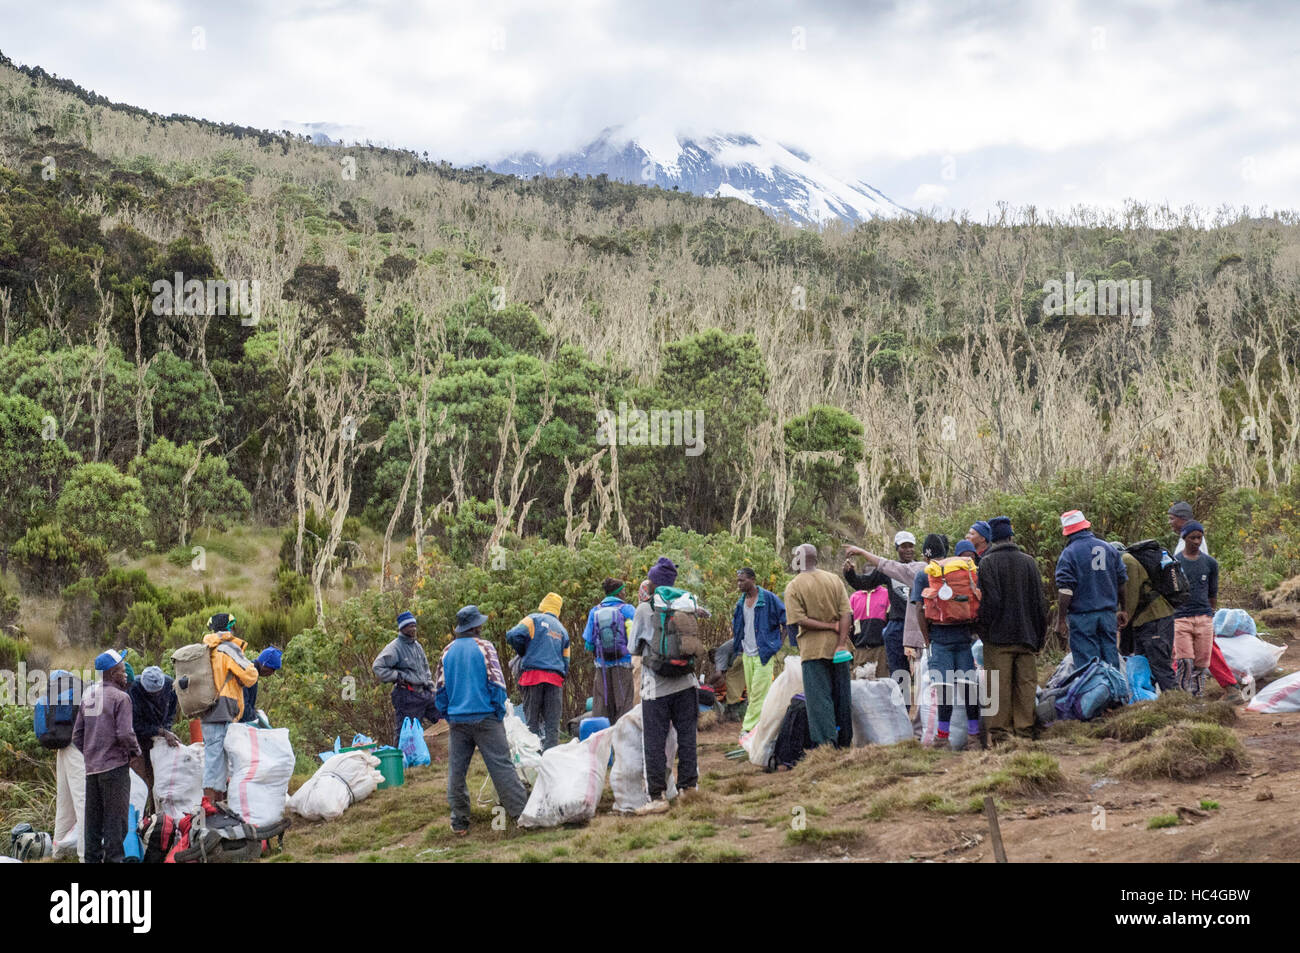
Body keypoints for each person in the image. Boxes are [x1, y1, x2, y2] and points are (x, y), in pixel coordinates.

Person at [435, 605, 529, 835]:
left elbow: (440, 690)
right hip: (486, 717)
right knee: (501, 767)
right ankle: (521, 815)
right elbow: (496, 683)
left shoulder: (447, 651)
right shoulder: (484, 647)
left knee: (456, 771)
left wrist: (449, 714)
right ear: (475, 626)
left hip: (458, 721)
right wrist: (498, 712)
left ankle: (459, 823)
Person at [631, 557, 700, 815]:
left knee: (654, 741)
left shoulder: (643, 609)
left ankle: (657, 796)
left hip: (655, 687)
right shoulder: (686, 605)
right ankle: (688, 789)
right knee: (687, 737)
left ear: (652, 581)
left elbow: (633, 647)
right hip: (686, 683)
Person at [976, 517, 1048, 744]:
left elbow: (992, 602)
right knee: (1025, 686)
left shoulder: (987, 563)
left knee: (998, 687)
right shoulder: (1029, 562)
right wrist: (1039, 637)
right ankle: (1025, 733)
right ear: (1011, 536)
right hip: (1026, 636)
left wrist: (983, 629)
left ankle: (1001, 737)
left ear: (992, 539)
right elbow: (1040, 603)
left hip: (998, 638)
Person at [1168, 502, 1243, 702]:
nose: (1170, 523)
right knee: (1193, 653)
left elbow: (1206, 580)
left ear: (1183, 519)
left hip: (1194, 609)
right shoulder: (1183, 546)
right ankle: (1223, 688)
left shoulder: (1192, 542)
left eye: (1172, 518)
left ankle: (1184, 695)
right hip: (1191, 610)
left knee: (1192, 654)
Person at [914, 539, 984, 749]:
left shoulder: (924, 574)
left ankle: (942, 739)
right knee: (968, 689)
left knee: (944, 690)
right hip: (963, 638)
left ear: (926, 557)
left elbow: (919, 609)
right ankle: (974, 738)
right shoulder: (962, 571)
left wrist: (928, 642)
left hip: (940, 639)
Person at [72, 650, 141, 863]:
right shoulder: (122, 698)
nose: (126, 674)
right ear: (112, 674)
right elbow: (124, 733)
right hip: (115, 769)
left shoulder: (89, 696)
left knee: (93, 821)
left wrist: (92, 753)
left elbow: (77, 736)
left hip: (92, 769)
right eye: (122, 670)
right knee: (116, 821)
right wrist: (135, 751)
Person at [782, 543, 853, 749]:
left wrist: (828, 625)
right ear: (816, 558)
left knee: (819, 700)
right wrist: (841, 643)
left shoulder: (794, 586)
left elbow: (799, 620)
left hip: (813, 651)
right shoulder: (834, 580)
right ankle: (845, 742)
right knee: (842, 697)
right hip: (839, 650)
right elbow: (846, 614)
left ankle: (826, 746)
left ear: (798, 559)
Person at [844, 532, 931, 688]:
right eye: (904, 546)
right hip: (897, 626)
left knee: (922, 671)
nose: (908, 550)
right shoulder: (890, 570)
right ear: (897, 549)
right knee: (899, 674)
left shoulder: (922, 569)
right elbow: (863, 583)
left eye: (911, 546)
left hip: (919, 625)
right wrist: (850, 574)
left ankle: (923, 708)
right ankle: (902, 709)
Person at [199, 614, 260, 805]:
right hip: (226, 710)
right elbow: (251, 675)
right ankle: (235, 806)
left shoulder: (206, 649)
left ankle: (211, 810)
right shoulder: (228, 649)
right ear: (231, 627)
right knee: (234, 762)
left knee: (213, 763)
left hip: (207, 710)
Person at [1054, 510, 1126, 669]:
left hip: (1082, 617)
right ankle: (1114, 692)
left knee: (1089, 666)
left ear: (1067, 533)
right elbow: (1121, 581)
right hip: (1108, 614)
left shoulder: (1069, 553)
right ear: (1086, 526)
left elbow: (1066, 590)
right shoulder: (1109, 548)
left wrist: (1060, 620)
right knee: (1111, 660)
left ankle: (1094, 692)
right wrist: (1124, 609)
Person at [730, 567, 791, 736]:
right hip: (747, 654)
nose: (739, 584)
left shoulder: (768, 599)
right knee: (754, 694)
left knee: (758, 693)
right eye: (738, 581)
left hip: (763, 654)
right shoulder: (741, 602)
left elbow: (785, 619)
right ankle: (762, 728)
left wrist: (777, 643)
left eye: (742, 580)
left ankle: (747, 728)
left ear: (752, 580)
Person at [507, 593, 570, 750]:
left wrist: (523, 652)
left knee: (532, 723)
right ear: (558, 610)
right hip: (555, 681)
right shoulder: (563, 631)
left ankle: (533, 758)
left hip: (532, 677)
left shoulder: (533, 619)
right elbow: (566, 662)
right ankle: (551, 760)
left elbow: (513, 635)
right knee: (552, 725)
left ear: (543, 606)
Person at [373, 612, 440, 748]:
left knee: (444, 716)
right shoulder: (394, 647)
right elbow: (378, 667)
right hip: (407, 696)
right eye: (410, 626)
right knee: (405, 734)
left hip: (425, 693)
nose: (413, 629)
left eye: (414, 625)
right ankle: (400, 763)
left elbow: (425, 669)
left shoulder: (417, 646)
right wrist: (397, 676)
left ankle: (444, 752)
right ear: (402, 628)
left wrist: (431, 687)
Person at [1119, 546, 1178, 693]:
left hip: (1155, 619)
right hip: (1147, 621)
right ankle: (1150, 704)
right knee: (1143, 666)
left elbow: (1131, 596)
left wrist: (1124, 618)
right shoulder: (1131, 559)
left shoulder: (1127, 561)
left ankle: (1178, 704)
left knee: (1160, 665)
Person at [581, 578, 637, 725]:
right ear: (619, 593)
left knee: (602, 705)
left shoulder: (595, 611)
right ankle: (623, 739)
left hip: (602, 666)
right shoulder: (627, 609)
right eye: (623, 591)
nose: (625, 593)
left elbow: (589, 643)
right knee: (624, 703)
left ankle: (603, 739)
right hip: (623, 664)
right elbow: (638, 634)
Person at [1174, 522, 1219, 695]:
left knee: (1201, 663)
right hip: (1181, 618)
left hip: (1204, 618)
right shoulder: (1176, 562)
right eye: (1192, 537)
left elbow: (1212, 592)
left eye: (1199, 537)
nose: (1196, 541)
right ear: (1184, 538)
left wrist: (1210, 616)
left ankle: (1197, 696)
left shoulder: (1210, 563)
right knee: (1185, 660)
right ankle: (1182, 696)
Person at [127, 665, 180, 802]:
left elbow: (171, 712)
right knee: (140, 777)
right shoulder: (134, 689)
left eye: (157, 692)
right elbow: (134, 724)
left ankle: (156, 811)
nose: (155, 695)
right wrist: (160, 732)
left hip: (159, 736)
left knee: (159, 776)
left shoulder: (170, 685)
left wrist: (166, 730)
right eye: (151, 693)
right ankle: (140, 812)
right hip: (138, 738)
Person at [239, 647, 283, 725]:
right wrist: (256, 719)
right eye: (272, 669)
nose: (272, 673)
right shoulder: (249, 673)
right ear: (264, 664)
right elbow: (243, 704)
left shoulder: (252, 671)